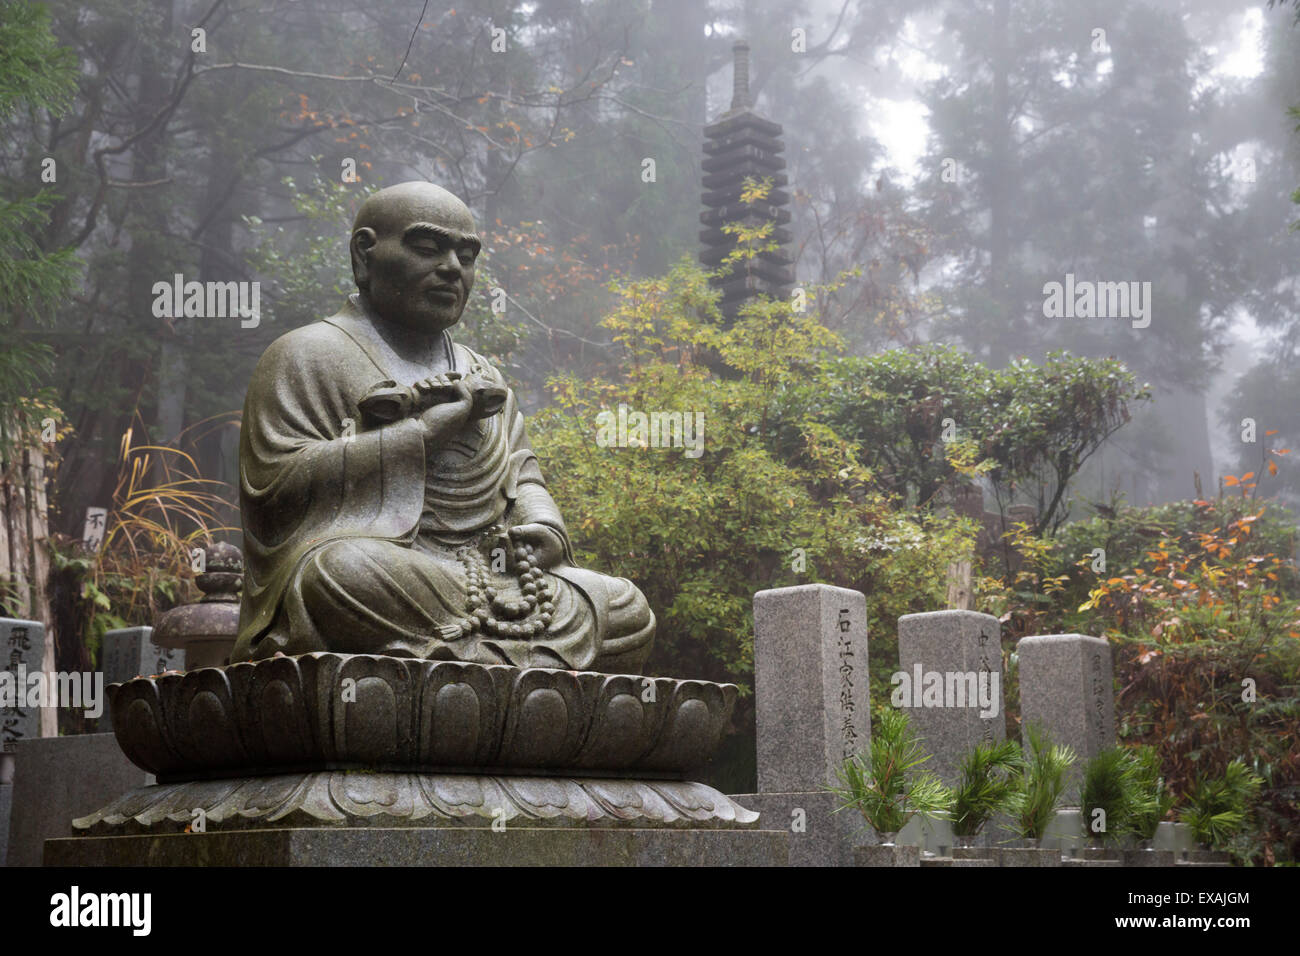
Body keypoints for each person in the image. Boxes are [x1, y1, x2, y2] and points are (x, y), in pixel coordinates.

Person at [232, 182, 654, 673]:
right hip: (388, 569)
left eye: (466, 255)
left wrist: (541, 529)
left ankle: (471, 664)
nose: (452, 268)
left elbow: (522, 476)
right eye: (429, 248)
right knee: (336, 573)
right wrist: (422, 434)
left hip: (494, 576)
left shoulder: (483, 375)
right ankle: (518, 668)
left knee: (625, 606)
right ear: (365, 254)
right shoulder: (306, 355)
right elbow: (274, 490)